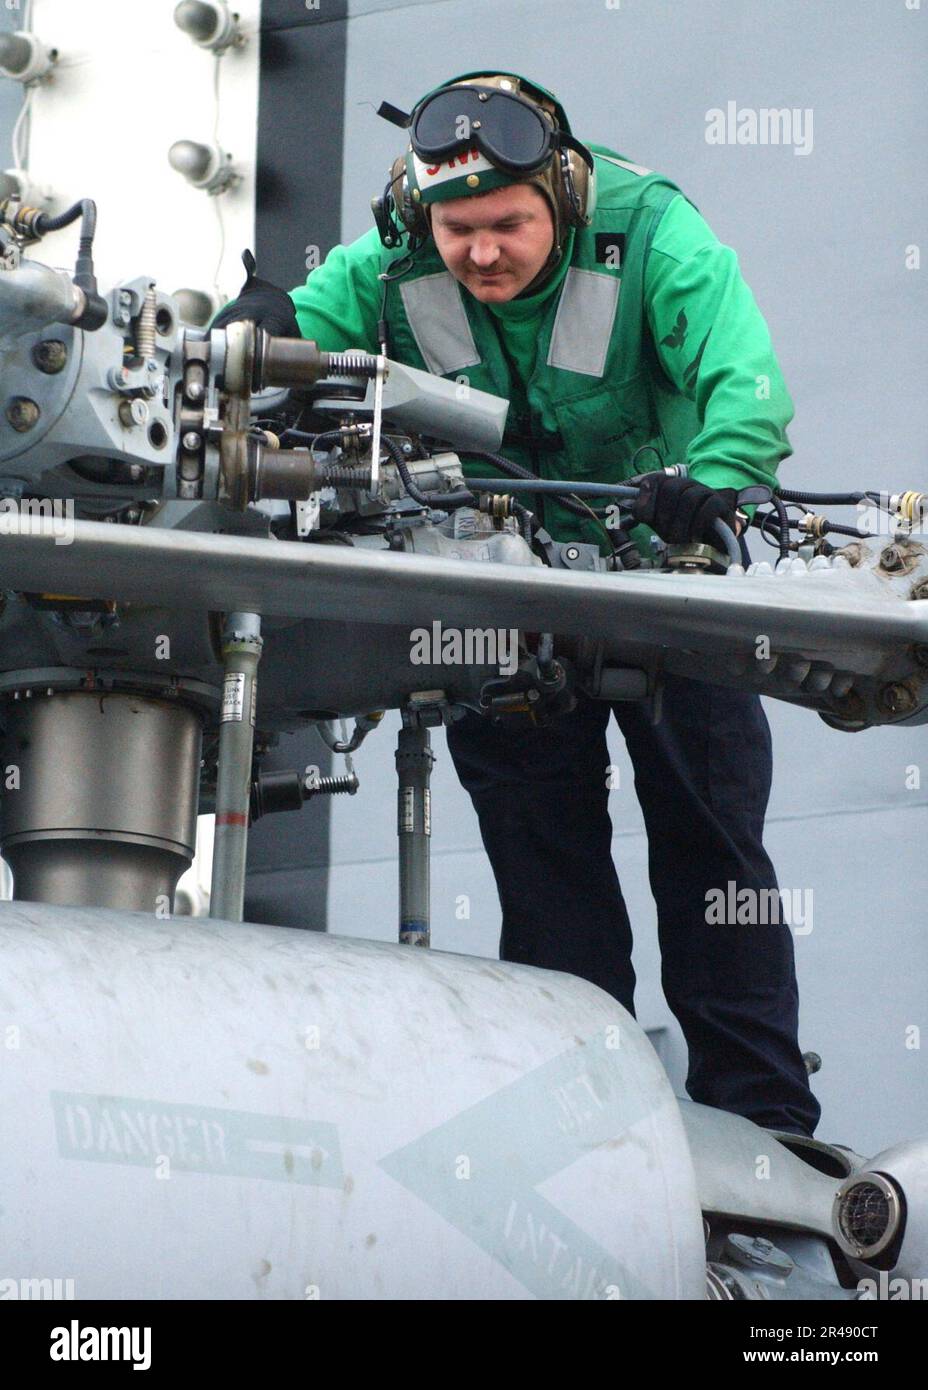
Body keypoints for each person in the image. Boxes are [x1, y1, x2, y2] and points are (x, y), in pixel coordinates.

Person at [213, 71, 820, 1136]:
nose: (481, 252)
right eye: (459, 230)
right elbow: (281, 341)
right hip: (506, 603)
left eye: (507, 225)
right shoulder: (394, 255)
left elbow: (748, 381)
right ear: (420, 215)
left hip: (671, 586)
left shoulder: (648, 229)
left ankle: (768, 1128)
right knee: (544, 873)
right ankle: (585, 1132)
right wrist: (256, 325)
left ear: (566, 200)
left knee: (713, 854)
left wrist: (713, 481)